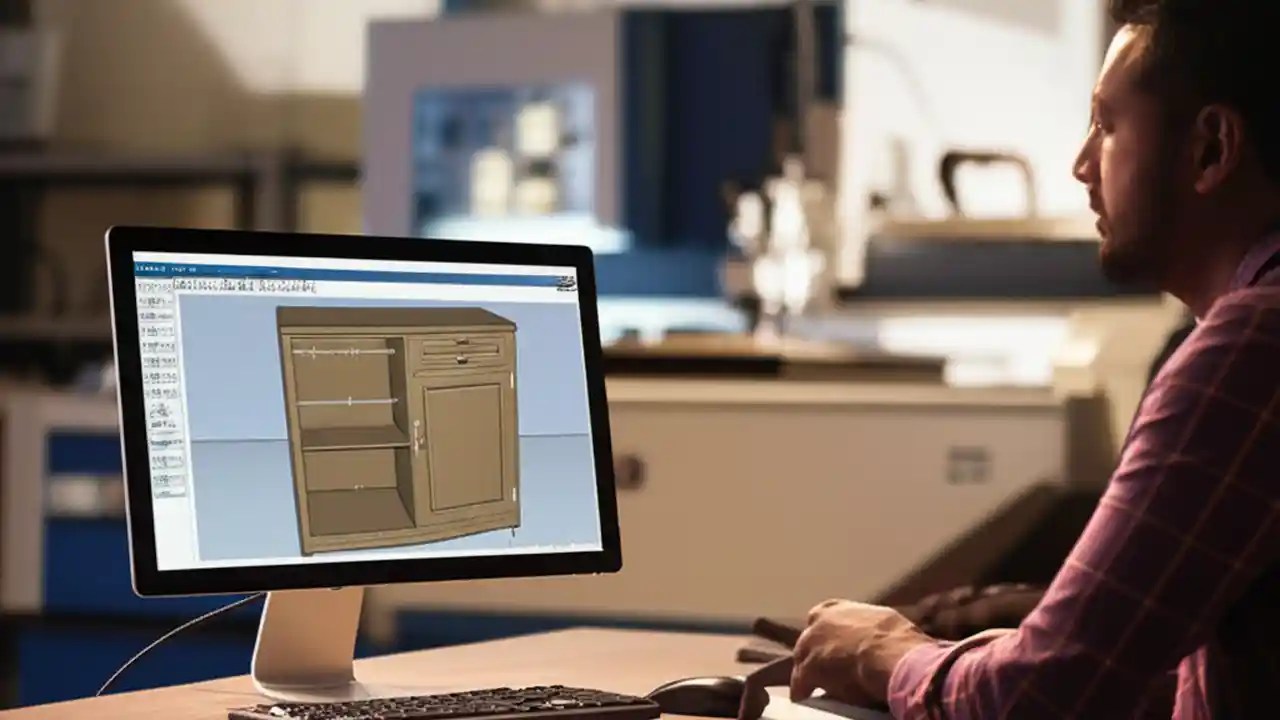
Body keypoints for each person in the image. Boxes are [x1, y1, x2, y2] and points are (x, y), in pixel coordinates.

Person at [786, 1, 1280, 717]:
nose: (1082, 164)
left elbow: (1043, 695)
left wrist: (881, 652)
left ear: (1211, 149)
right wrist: (990, 645)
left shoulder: (1252, 346)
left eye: (1108, 126)